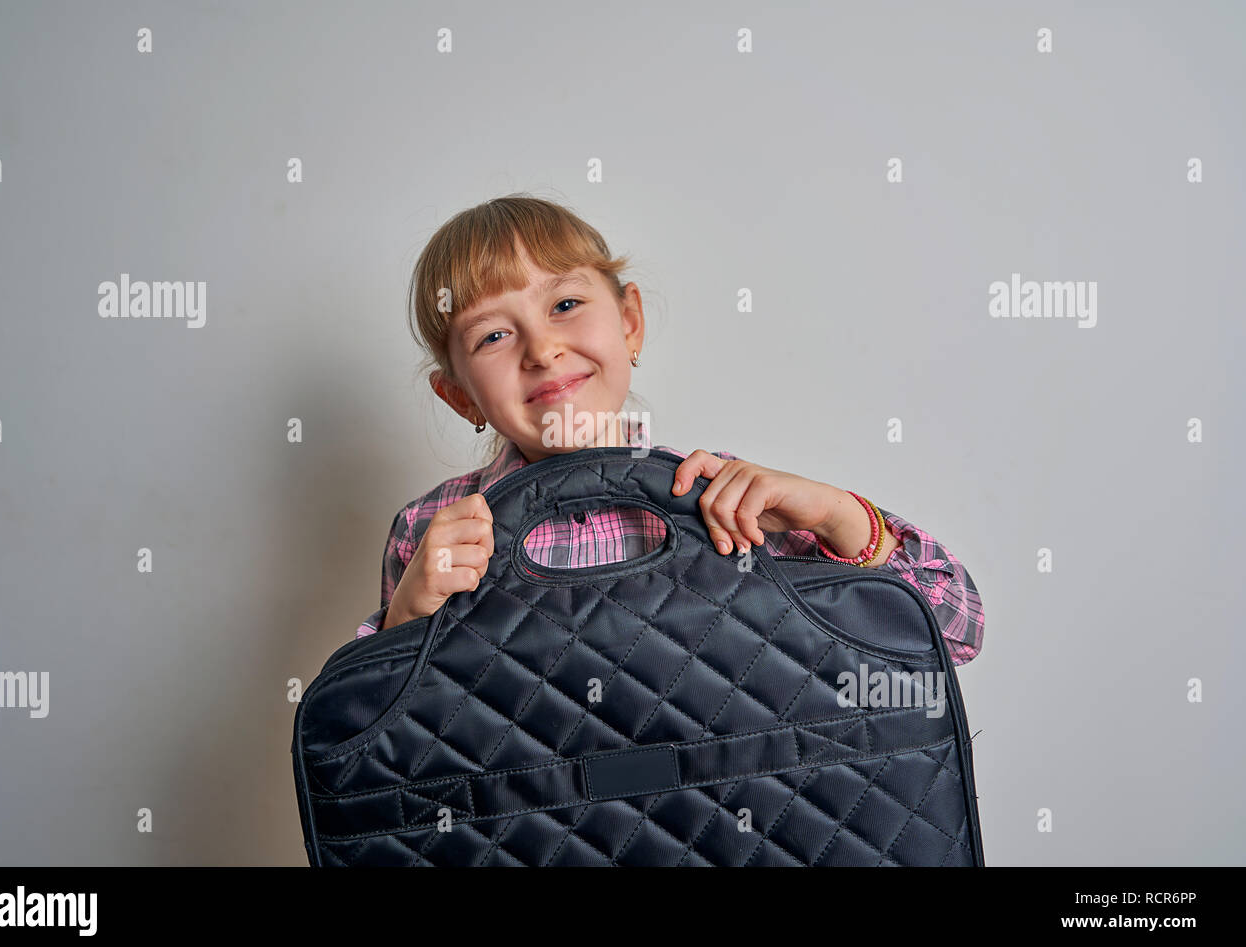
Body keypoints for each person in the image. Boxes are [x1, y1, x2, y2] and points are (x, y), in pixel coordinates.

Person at [355, 195, 983, 667]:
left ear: (629, 322)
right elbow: (385, 758)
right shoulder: (431, 529)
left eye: (565, 305)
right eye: (493, 335)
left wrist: (834, 514)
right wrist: (407, 617)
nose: (543, 349)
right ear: (460, 395)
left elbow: (953, 635)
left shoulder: (725, 499)